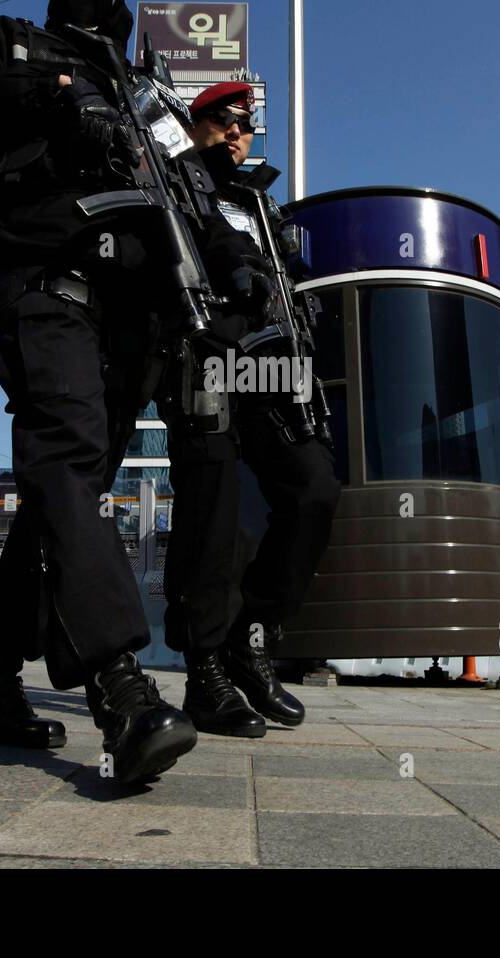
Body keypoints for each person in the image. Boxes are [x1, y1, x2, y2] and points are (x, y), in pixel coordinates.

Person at [0, 0, 197, 784]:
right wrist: (50, 93)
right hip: (47, 279)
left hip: (140, 312)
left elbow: (187, 188)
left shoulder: (143, 83)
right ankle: (121, 686)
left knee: (66, 486)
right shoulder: (7, 42)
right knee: (66, 453)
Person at [157, 81, 341, 737]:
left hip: (275, 367)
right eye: (225, 121)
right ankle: (205, 667)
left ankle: (251, 639)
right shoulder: (174, 179)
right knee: (216, 511)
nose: (238, 134)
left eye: (247, 126)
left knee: (316, 490)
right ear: (197, 123)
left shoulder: (262, 205)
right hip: (202, 355)